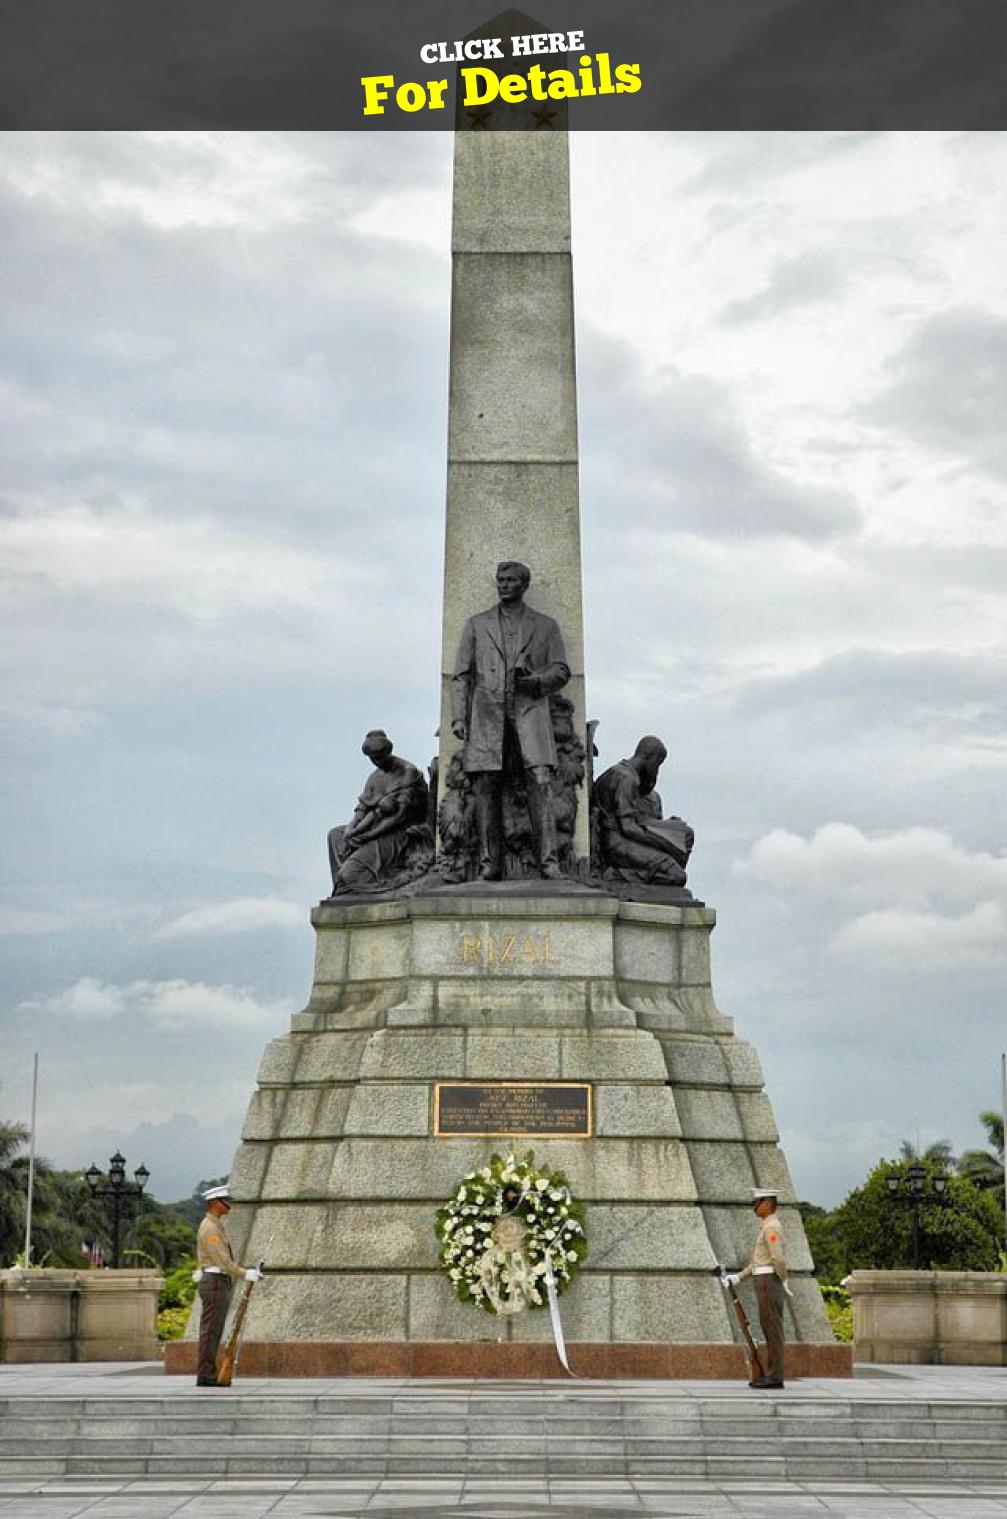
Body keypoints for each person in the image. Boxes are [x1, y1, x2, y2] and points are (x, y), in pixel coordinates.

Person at [451, 561, 571, 880]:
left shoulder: (545, 626)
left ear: (524, 585)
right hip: (488, 717)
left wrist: (535, 682)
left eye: (511, 580)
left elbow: (561, 670)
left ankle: (549, 861)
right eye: (500, 580)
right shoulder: (477, 625)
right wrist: (458, 718)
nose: (504, 585)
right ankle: (490, 863)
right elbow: (461, 675)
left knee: (541, 781)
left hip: (529, 715)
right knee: (486, 786)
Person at [327, 730, 432, 895]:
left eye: (380, 757)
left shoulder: (407, 772)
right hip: (374, 826)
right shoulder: (375, 777)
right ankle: (344, 888)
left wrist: (367, 835)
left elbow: (399, 817)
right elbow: (362, 809)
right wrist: (350, 831)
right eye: (373, 758)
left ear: (388, 752)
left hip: (398, 833)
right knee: (335, 836)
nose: (377, 762)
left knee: (349, 873)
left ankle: (353, 883)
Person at [593, 736, 693, 886]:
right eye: (657, 764)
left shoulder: (618, 772)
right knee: (677, 875)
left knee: (683, 834)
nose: (657, 769)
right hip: (617, 844)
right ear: (650, 756)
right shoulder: (627, 778)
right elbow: (628, 827)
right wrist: (665, 842)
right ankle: (615, 876)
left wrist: (666, 827)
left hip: (617, 841)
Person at [721, 1187, 791, 1389]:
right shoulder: (766, 1226)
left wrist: (783, 1279)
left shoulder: (771, 1228)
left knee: (773, 1329)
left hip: (769, 1281)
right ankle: (771, 1373)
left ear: (768, 1204)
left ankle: (775, 1375)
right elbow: (757, 1262)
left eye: (758, 1203)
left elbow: (777, 1258)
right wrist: (738, 1277)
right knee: (768, 1327)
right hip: (764, 1279)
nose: (754, 1207)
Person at [194, 1184, 261, 1387]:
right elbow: (223, 1260)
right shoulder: (210, 1228)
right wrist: (245, 1273)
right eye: (225, 1201)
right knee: (210, 1330)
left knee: (214, 1329)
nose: (228, 1205)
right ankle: (206, 1374)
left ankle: (208, 1372)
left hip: (218, 1281)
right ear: (215, 1203)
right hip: (214, 1282)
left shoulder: (216, 1225)